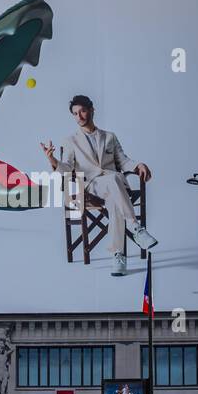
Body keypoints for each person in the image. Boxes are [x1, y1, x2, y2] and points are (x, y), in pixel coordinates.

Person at [41, 94, 157, 277]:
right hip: (91, 186)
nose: (79, 116)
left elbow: (123, 160)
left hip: (113, 186)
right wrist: (52, 160)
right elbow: (67, 168)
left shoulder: (109, 137)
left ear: (92, 110)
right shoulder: (70, 141)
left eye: (83, 111)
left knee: (113, 196)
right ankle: (135, 227)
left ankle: (118, 256)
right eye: (75, 113)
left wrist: (138, 165)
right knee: (114, 180)